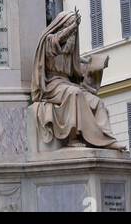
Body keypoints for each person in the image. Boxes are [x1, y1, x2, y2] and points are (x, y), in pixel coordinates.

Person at [31, 10, 123, 150]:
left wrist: (94, 68)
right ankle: (74, 137)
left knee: (96, 102)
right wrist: (72, 27)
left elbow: (77, 72)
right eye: (69, 25)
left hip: (66, 83)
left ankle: (107, 139)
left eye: (75, 31)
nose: (74, 34)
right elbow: (57, 41)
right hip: (51, 85)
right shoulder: (49, 40)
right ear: (62, 25)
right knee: (74, 94)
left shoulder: (71, 51)